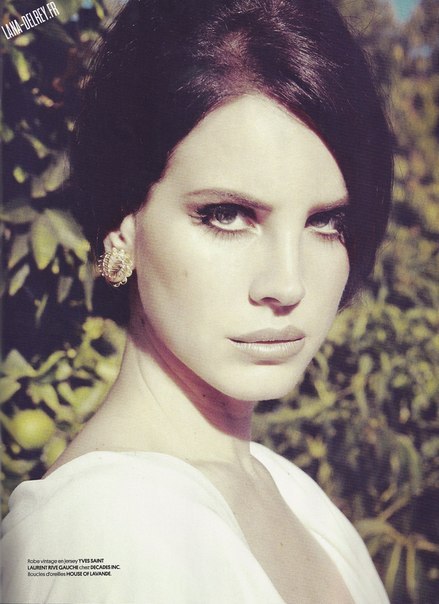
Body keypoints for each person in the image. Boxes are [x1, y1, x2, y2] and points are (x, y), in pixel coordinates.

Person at [1, 0, 393, 602]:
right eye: (227, 215)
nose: (288, 285)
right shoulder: (98, 533)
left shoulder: (299, 499)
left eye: (325, 222)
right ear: (122, 226)